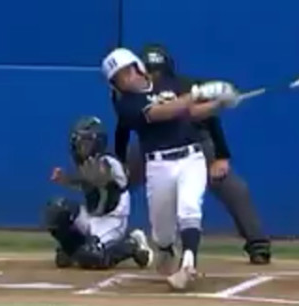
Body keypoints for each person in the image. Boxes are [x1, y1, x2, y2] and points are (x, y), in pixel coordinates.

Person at [115, 44, 272, 265]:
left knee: (234, 189)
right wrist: (120, 161)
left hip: (194, 142)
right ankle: (99, 237)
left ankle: (258, 244)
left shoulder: (183, 85)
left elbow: (210, 120)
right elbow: (124, 127)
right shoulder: (132, 94)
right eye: (149, 70)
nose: (154, 76)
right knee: (115, 181)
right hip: (149, 147)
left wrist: (221, 156)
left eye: (158, 71)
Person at [103, 47, 238, 291]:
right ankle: (166, 248)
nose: (125, 80)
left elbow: (192, 112)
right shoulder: (126, 104)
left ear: (137, 67)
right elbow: (161, 112)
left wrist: (219, 103)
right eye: (119, 79)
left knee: (189, 207)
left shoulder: (168, 84)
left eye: (126, 73)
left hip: (191, 158)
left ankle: (188, 264)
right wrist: (197, 93)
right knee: (163, 231)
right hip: (158, 165)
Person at [44, 115, 155, 270]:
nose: (82, 147)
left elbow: (113, 180)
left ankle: (132, 244)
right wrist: (66, 179)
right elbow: (86, 184)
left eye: (87, 142)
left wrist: (102, 177)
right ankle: (73, 250)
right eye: (80, 142)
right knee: (56, 209)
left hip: (112, 220)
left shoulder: (110, 162)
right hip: (91, 216)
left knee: (92, 256)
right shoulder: (84, 163)